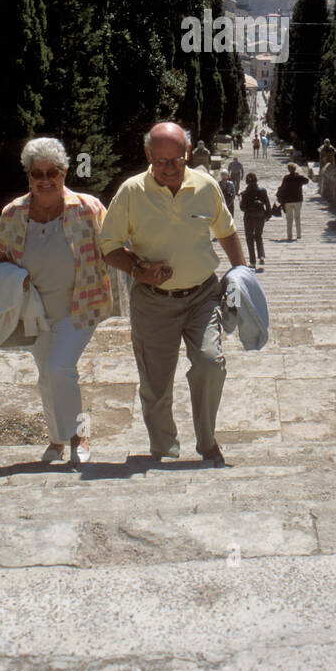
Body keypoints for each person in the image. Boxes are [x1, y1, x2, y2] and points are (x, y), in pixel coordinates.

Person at [99, 123, 248, 466]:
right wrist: (139, 270)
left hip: (202, 296)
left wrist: (241, 275)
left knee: (211, 364)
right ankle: (164, 449)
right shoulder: (131, 192)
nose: (168, 168)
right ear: (148, 155)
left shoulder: (205, 186)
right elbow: (109, 246)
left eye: (176, 161)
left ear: (188, 154)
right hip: (153, 302)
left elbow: (226, 232)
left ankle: (207, 442)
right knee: (155, 383)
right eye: (161, 161)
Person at [0, 138, 116, 467]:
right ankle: (56, 440)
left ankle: (79, 437)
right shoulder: (13, 215)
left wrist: (142, 267)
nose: (45, 179)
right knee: (45, 377)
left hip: (80, 306)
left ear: (64, 173)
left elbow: (115, 243)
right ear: (28, 176)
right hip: (35, 311)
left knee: (59, 368)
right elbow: (3, 263)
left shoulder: (87, 208)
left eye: (53, 172)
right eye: (38, 173)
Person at [240, 170, 272, 270]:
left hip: (249, 217)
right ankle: (261, 256)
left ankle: (252, 261)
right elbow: (267, 204)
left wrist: (240, 200)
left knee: (249, 238)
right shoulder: (262, 190)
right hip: (260, 216)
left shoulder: (245, 193)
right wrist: (267, 215)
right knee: (258, 236)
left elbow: (242, 208)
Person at [276, 162, 308, 241]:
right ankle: (299, 235)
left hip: (288, 200)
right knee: (297, 217)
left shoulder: (286, 178)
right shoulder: (299, 177)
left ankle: (289, 236)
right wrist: (298, 174)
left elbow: (282, 187)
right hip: (298, 200)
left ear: (288, 170)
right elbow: (306, 180)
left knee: (289, 219)